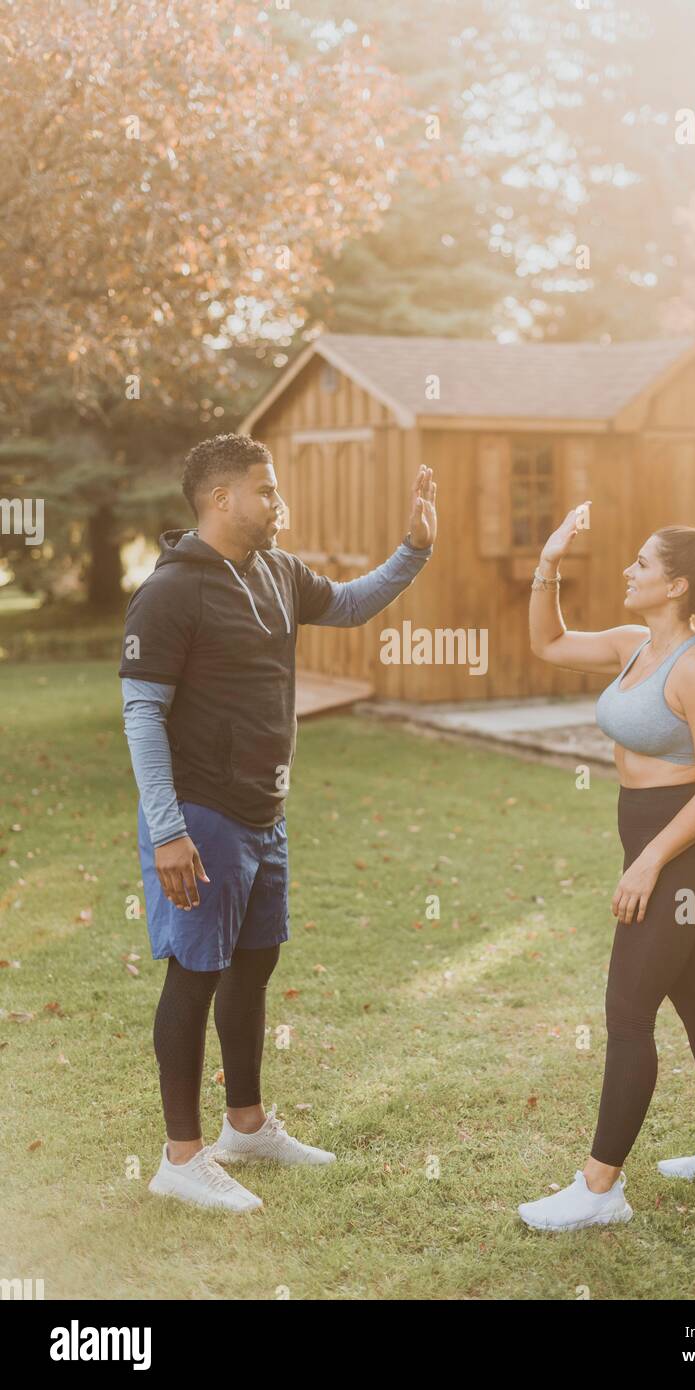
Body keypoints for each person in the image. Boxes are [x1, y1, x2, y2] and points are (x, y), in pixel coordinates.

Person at [119, 433, 437, 1212]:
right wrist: (166, 831)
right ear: (220, 498)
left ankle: (247, 1126)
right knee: (193, 976)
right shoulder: (169, 593)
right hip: (198, 815)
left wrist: (413, 549)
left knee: (253, 964)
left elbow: (353, 602)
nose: (278, 502)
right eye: (264, 490)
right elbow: (141, 714)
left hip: (264, 812)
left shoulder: (277, 572)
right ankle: (180, 1158)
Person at [518, 506, 695, 1232]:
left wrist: (650, 864)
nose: (627, 572)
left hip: (683, 858)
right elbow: (550, 641)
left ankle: (598, 1190)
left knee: (628, 1014)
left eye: (640, 565)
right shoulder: (635, 644)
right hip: (651, 847)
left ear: (676, 586)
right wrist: (549, 559)